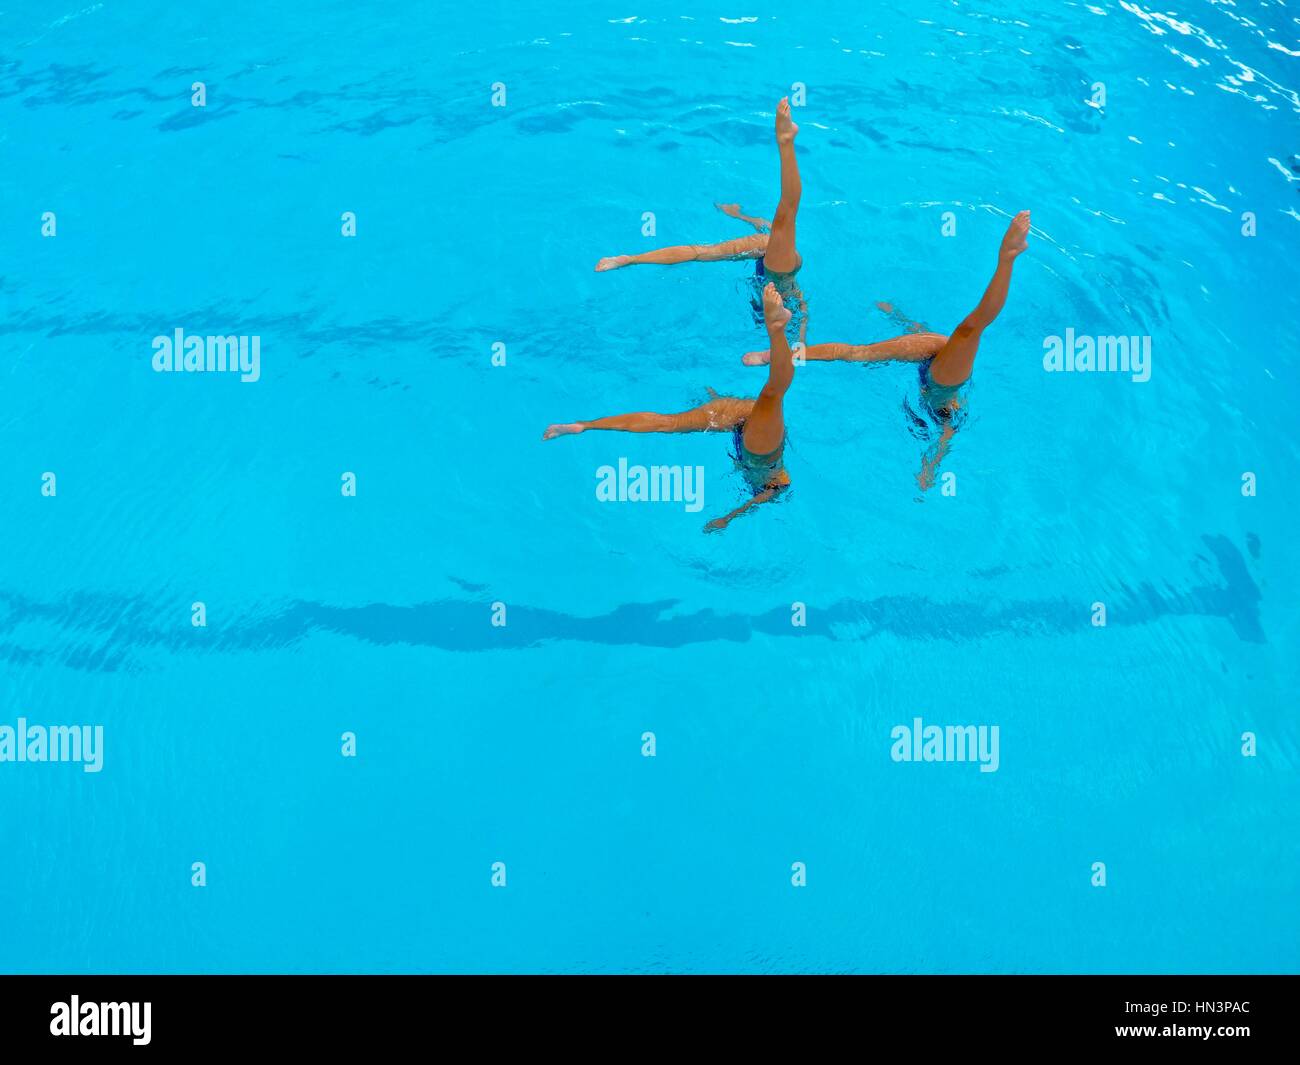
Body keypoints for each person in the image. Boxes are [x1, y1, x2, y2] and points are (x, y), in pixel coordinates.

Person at [740, 210, 1030, 489]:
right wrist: (930, 464)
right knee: (963, 330)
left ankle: (1008, 258)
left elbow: (946, 429)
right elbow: (946, 428)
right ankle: (1007, 258)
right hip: (935, 366)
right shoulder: (939, 391)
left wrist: (932, 463)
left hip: (936, 369)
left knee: (961, 330)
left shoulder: (942, 397)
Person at [543, 283, 796, 531]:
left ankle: (585, 425)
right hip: (760, 454)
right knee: (774, 393)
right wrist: (728, 518)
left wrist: (729, 517)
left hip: (741, 426)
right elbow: (771, 492)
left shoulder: (768, 471)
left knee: (670, 422)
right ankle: (777, 331)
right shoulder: (776, 481)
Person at [594, 96, 804, 306]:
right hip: (777, 273)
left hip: (773, 274)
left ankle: (746, 209)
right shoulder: (780, 273)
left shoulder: (771, 264)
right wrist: (631, 259)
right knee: (783, 217)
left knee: (778, 222)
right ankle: (785, 144)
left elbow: (696, 253)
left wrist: (631, 259)